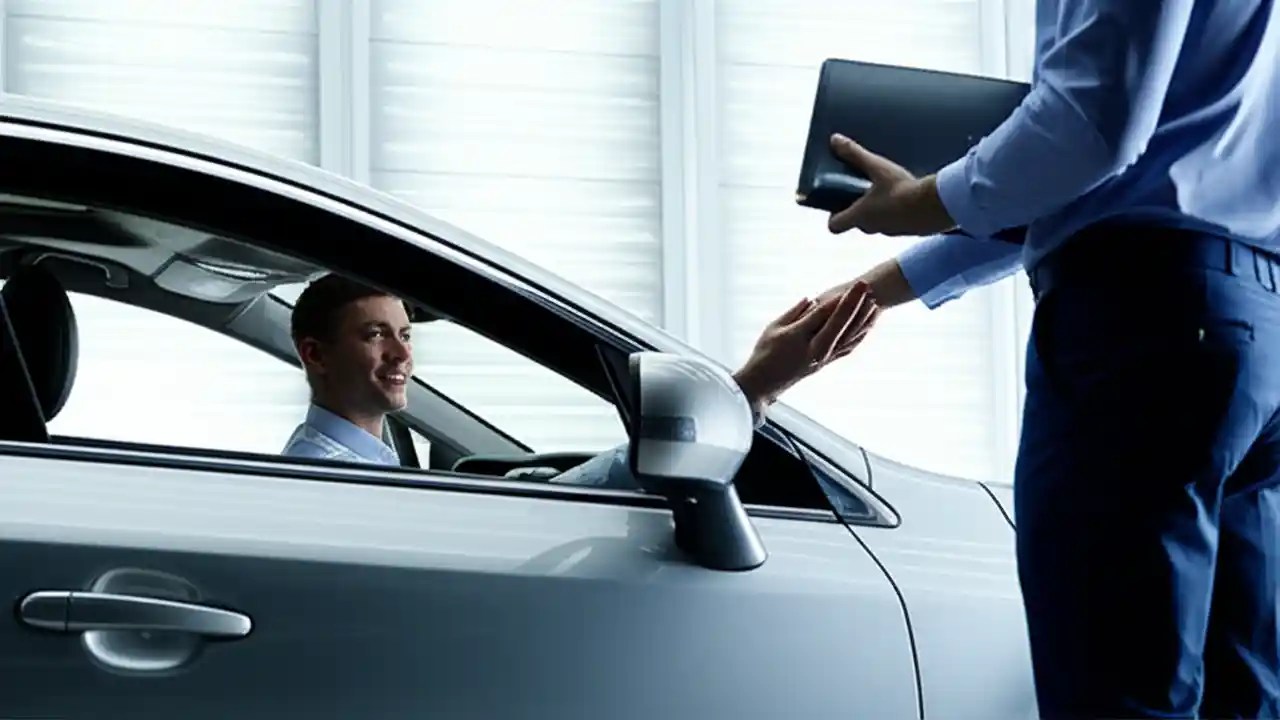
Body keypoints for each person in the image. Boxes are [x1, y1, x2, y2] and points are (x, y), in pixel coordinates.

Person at [814, 2, 1280, 718]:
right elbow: (1088, 181)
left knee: (1118, 695)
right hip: (1255, 332)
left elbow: (1090, 129)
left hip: (1142, 327)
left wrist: (923, 200)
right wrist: (880, 286)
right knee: (1243, 694)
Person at [283, 273, 879, 486]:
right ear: (316, 354)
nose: (400, 355)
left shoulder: (365, 461)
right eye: (375, 336)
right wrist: (749, 388)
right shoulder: (326, 477)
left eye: (405, 335)